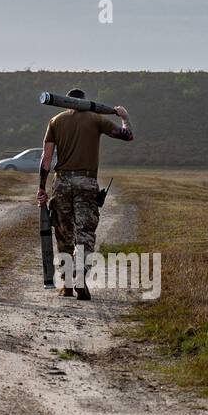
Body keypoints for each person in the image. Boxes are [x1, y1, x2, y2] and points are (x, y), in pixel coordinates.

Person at [36, 88, 134, 300]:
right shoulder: (96, 118)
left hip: (61, 182)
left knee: (63, 233)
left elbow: (46, 159)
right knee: (85, 235)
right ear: (85, 102)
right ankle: (80, 276)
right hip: (86, 182)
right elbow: (127, 136)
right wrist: (124, 117)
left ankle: (68, 284)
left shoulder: (55, 121)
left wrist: (42, 188)